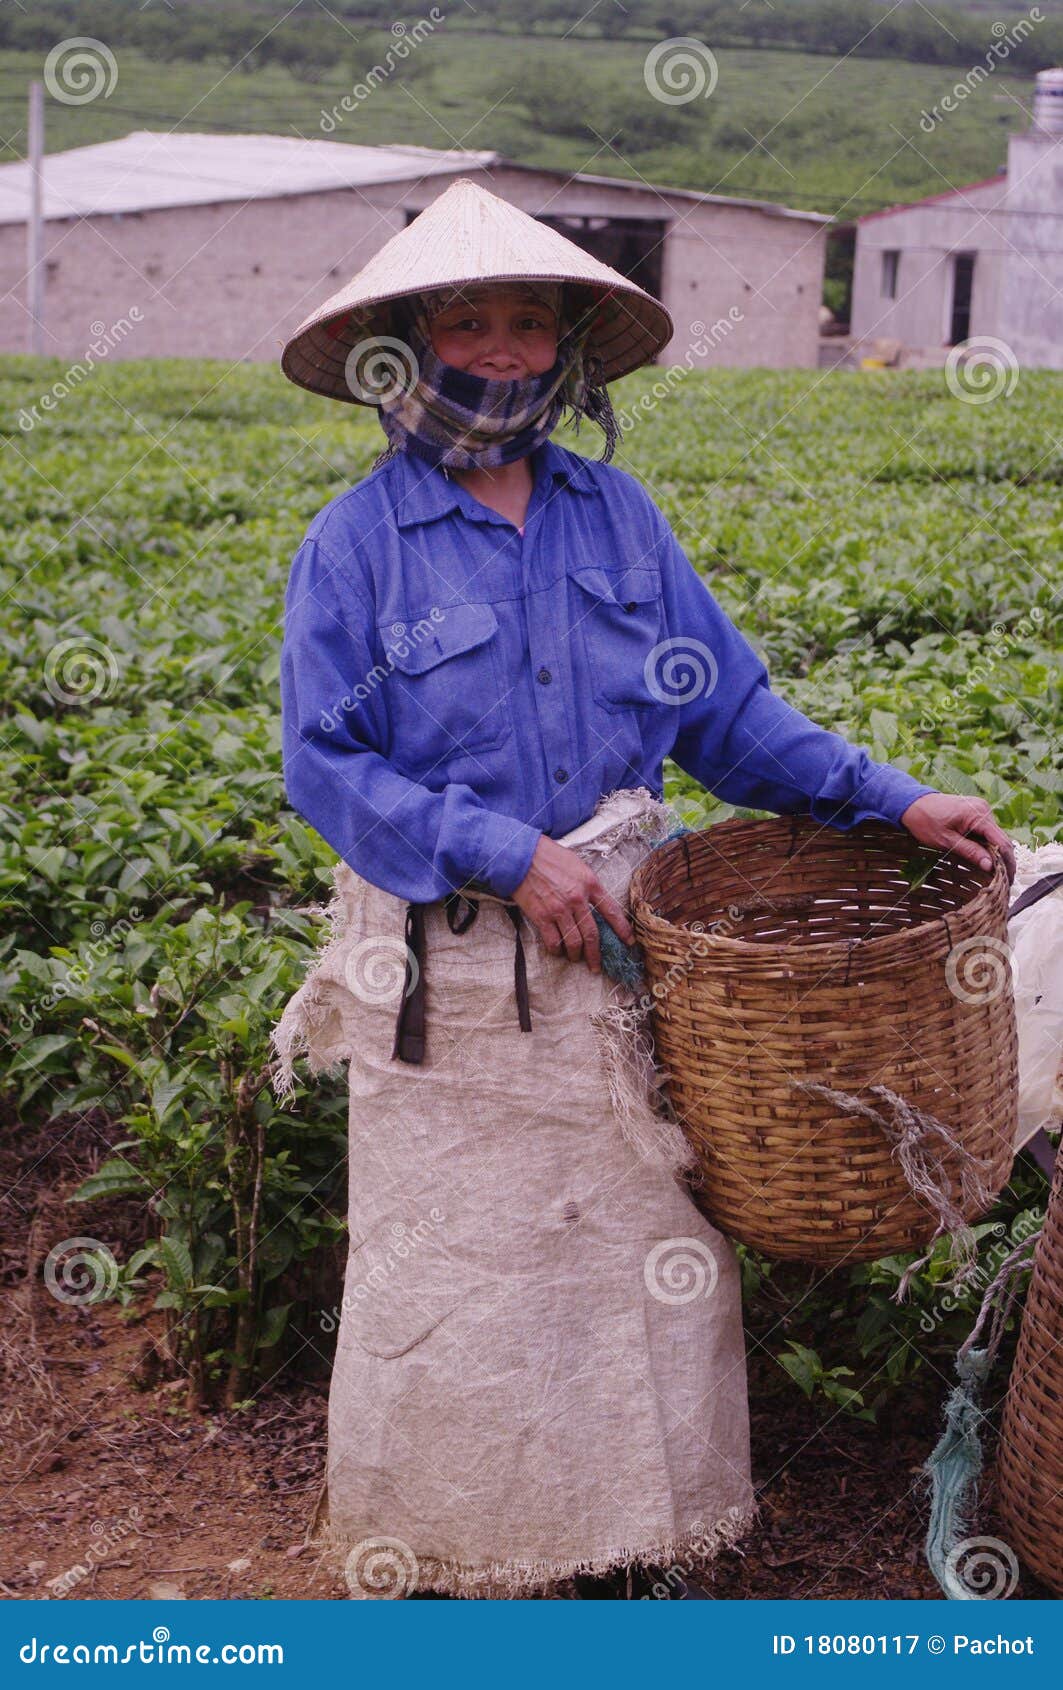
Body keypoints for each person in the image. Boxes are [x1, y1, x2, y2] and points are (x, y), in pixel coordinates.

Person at [271, 179, 1015, 1601]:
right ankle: (458, 1544)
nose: (501, 348)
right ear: (413, 342)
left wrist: (893, 795)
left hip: (623, 952)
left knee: (636, 1254)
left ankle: (634, 1542)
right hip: (457, 982)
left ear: (566, 346)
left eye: (528, 321)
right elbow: (328, 766)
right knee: (466, 1269)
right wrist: (504, 849)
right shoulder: (354, 548)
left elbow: (730, 714)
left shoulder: (618, 522)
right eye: (469, 320)